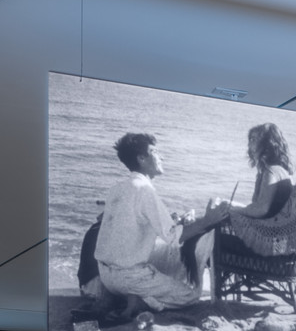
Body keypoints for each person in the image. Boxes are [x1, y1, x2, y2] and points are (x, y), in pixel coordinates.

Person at [91, 132, 223, 321]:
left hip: (105, 277)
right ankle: (141, 303)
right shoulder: (145, 190)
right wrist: (209, 219)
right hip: (129, 278)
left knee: (154, 264)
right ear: (142, 159)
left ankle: (121, 298)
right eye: (155, 152)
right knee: (191, 296)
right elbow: (173, 238)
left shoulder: (116, 189)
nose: (161, 157)